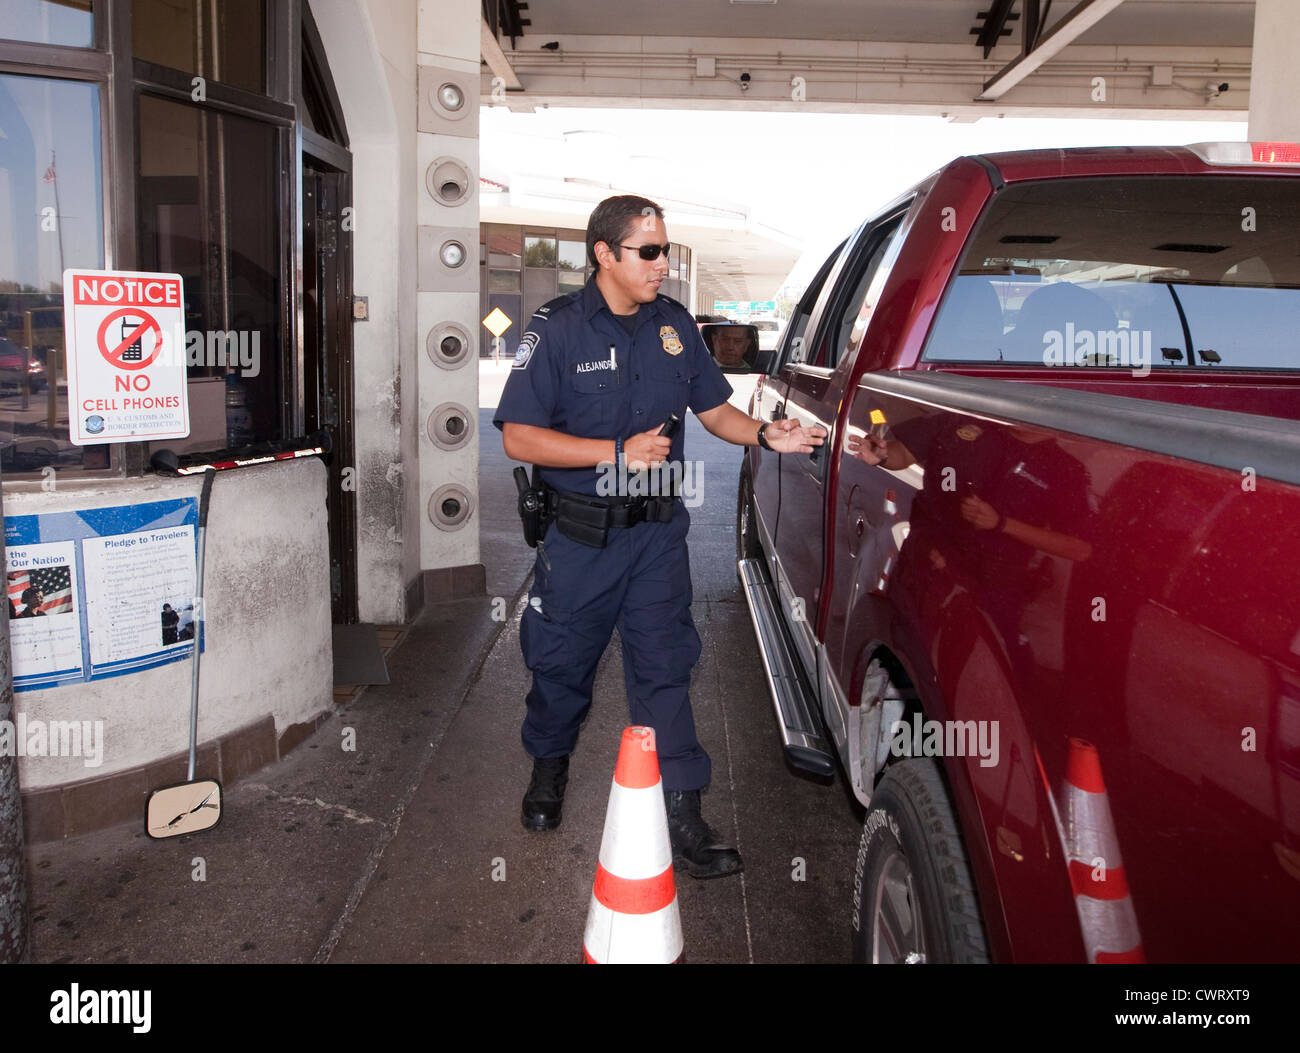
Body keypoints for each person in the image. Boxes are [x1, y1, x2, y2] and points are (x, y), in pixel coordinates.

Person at [493, 194, 825, 879]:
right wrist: (611, 452)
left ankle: (683, 813)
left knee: (666, 669)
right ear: (605, 255)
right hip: (580, 541)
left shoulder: (674, 325)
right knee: (559, 668)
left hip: (654, 540)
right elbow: (520, 435)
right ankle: (548, 769)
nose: (662, 263)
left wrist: (766, 432)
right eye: (648, 251)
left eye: (665, 249)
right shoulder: (557, 329)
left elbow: (714, 410)